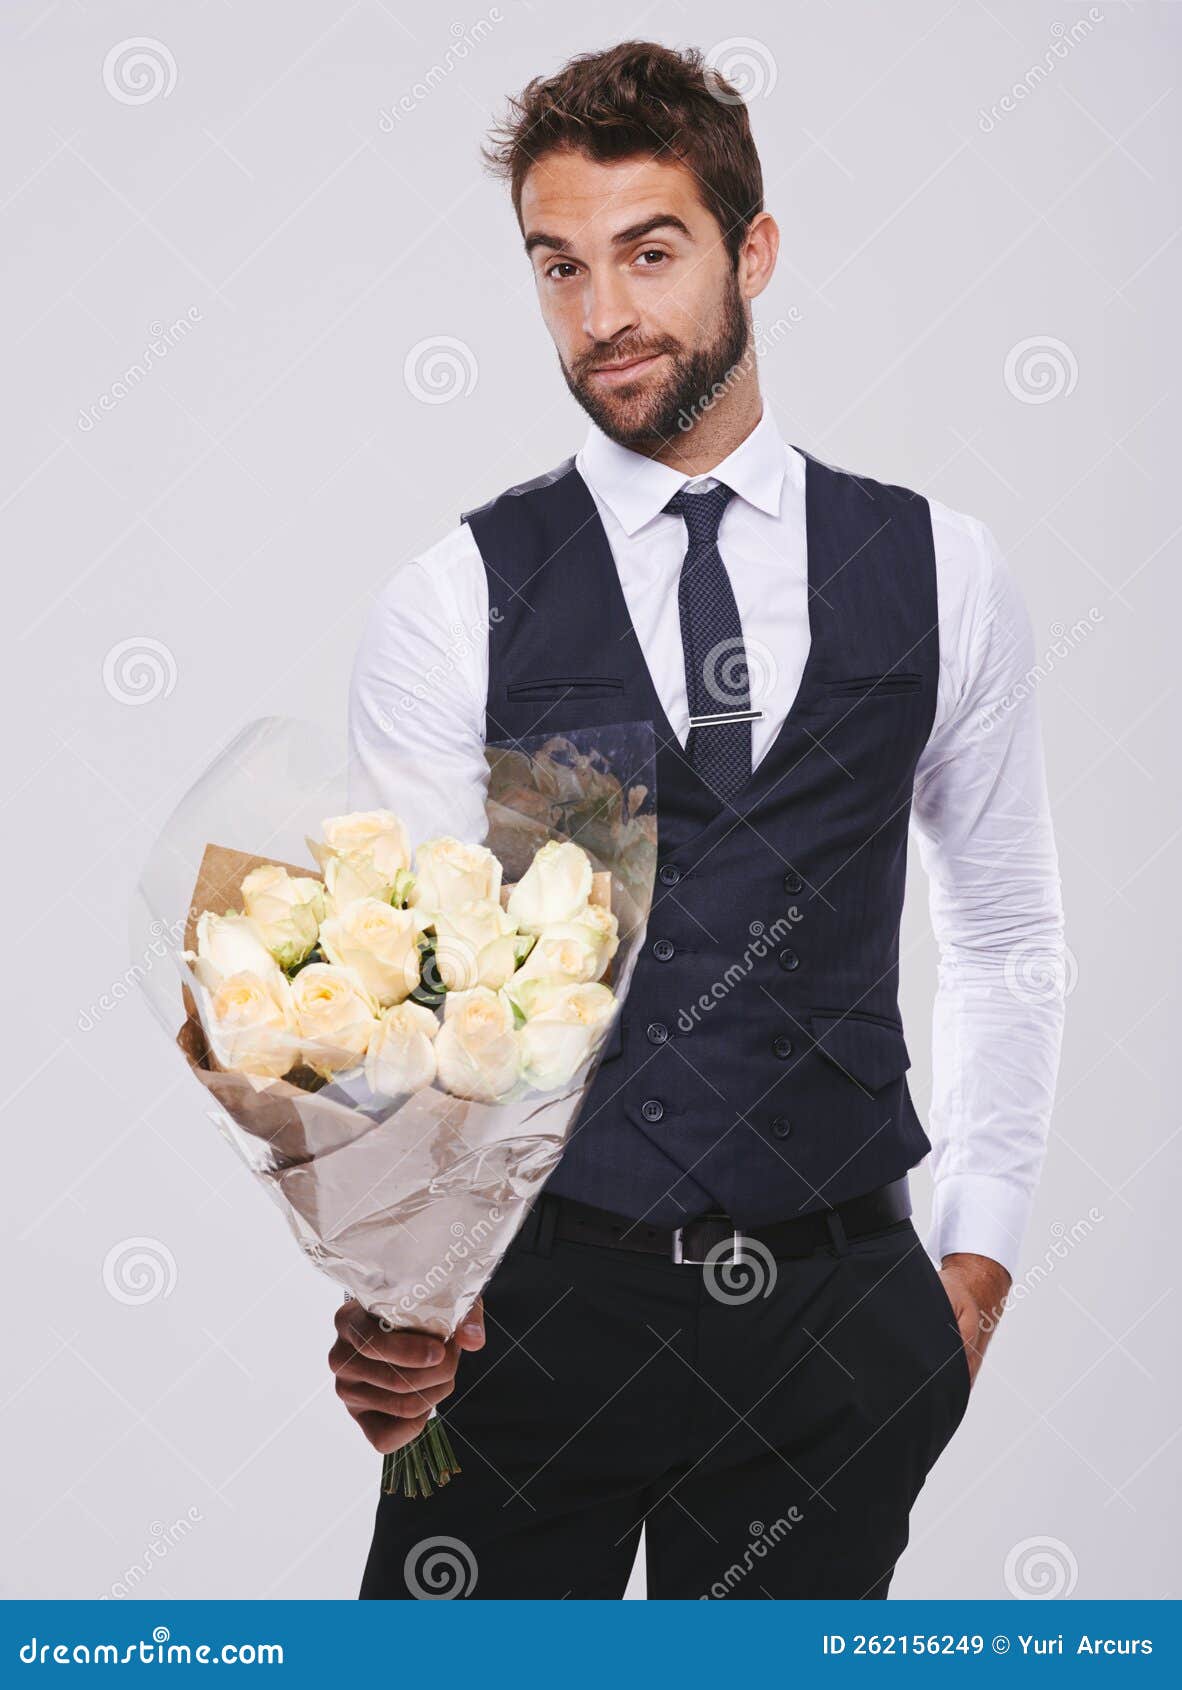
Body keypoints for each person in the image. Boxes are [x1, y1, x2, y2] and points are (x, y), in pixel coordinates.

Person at [333, 40, 1065, 1599]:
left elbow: (1004, 931)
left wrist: (974, 1262)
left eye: (648, 253)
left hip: (837, 1326)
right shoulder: (453, 598)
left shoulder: (940, 568)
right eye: (558, 264)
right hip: (531, 1319)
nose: (602, 316)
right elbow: (403, 993)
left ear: (753, 251)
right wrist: (400, 1283)